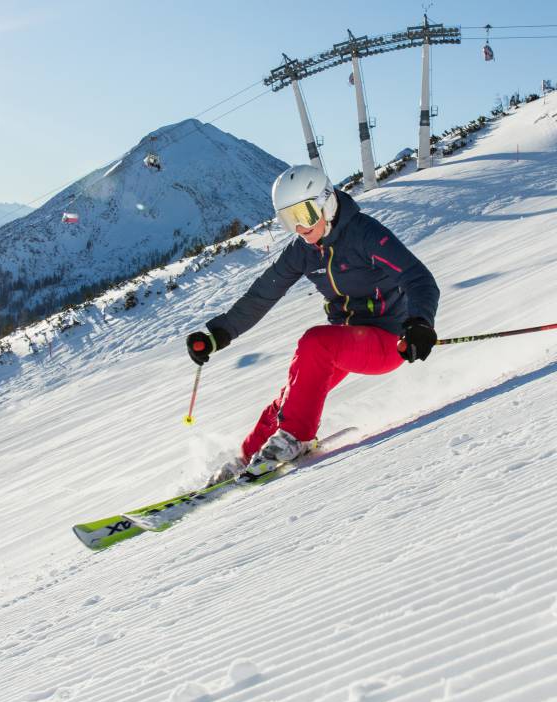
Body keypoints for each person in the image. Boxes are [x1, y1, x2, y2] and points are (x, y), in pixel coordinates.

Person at [186, 165, 440, 483]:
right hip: (344, 342)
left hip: (389, 339)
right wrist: (218, 334)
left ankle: (296, 438)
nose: (299, 228)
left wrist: (419, 324)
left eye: (304, 215)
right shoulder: (303, 252)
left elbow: (419, 279)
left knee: (314, 343)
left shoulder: (365, 234)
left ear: (327, 202)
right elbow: (263, 294)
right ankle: (246, 458)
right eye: (287, 220)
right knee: (291, 398)